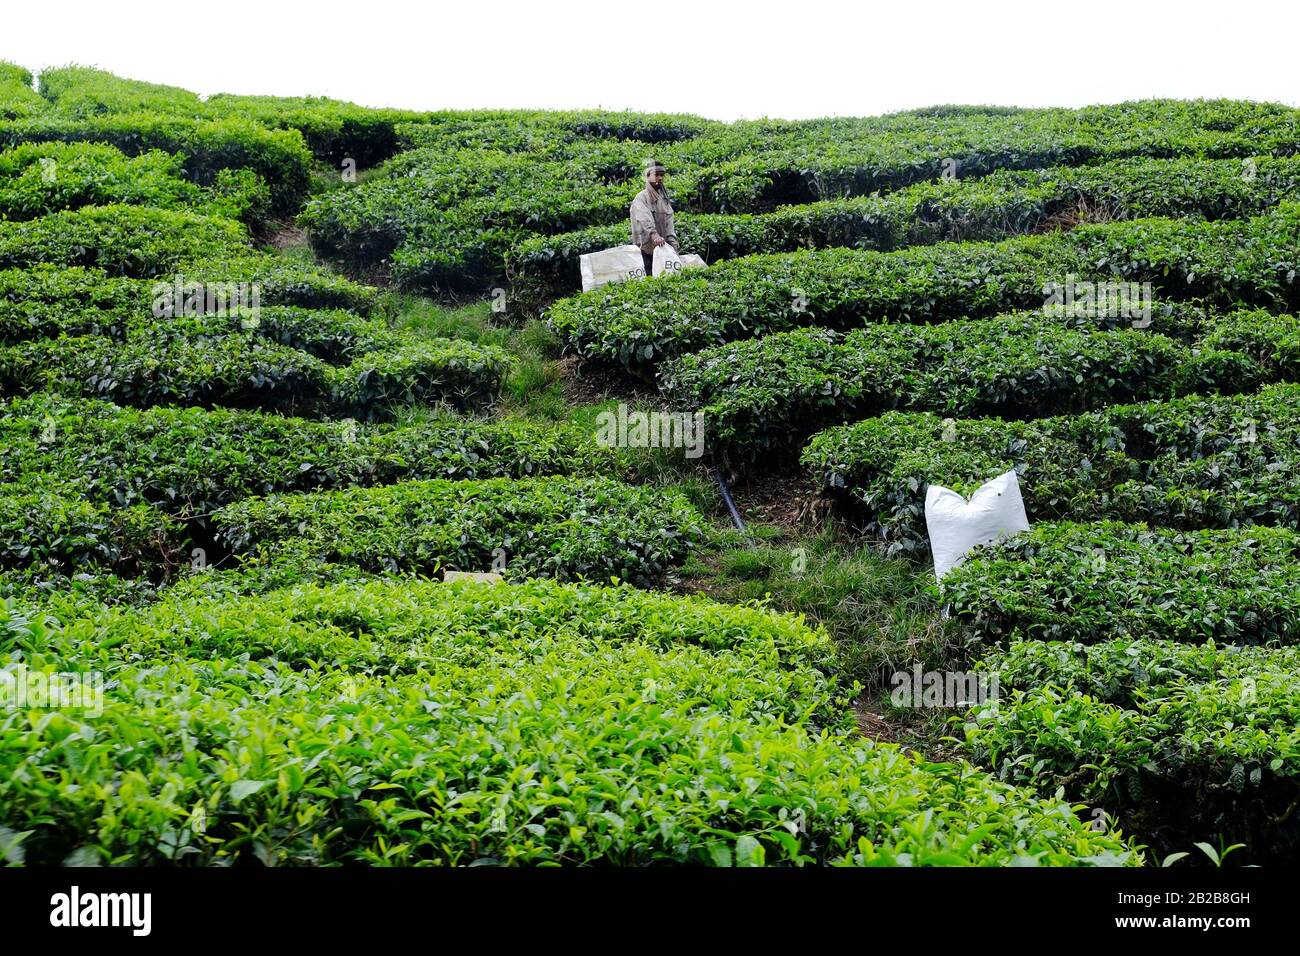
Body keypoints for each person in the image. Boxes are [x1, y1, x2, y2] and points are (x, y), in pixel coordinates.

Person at [630, 160, 679, 277]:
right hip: (645, 250)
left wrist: (674, 246)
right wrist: (654, 234)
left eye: (662, 175)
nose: (660, 178)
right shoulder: (641, 197)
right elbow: (644, 217)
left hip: (662, 251)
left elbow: (669, 224)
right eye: (656, 175)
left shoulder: (664, 200)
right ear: (648, 176)